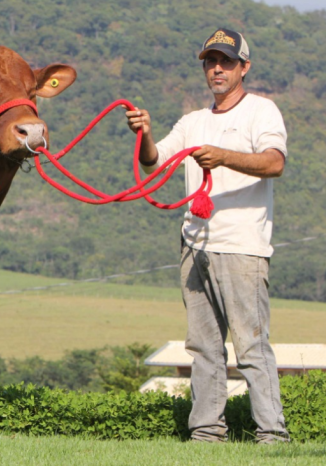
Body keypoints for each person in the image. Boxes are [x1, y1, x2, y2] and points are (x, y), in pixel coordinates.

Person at [125, 28, 289, 443]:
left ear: (244, 68)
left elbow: (274, 163)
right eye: (210, 61)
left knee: (251, 347)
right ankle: (206, 433)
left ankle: (272, 434)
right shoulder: (194, 121)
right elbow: (153, 161)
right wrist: (144, 131)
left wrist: (224, 157)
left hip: (242, 247)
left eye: (226, 62)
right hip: (194, 245)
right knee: (202, 346)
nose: (216, 69)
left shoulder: (262, 111)